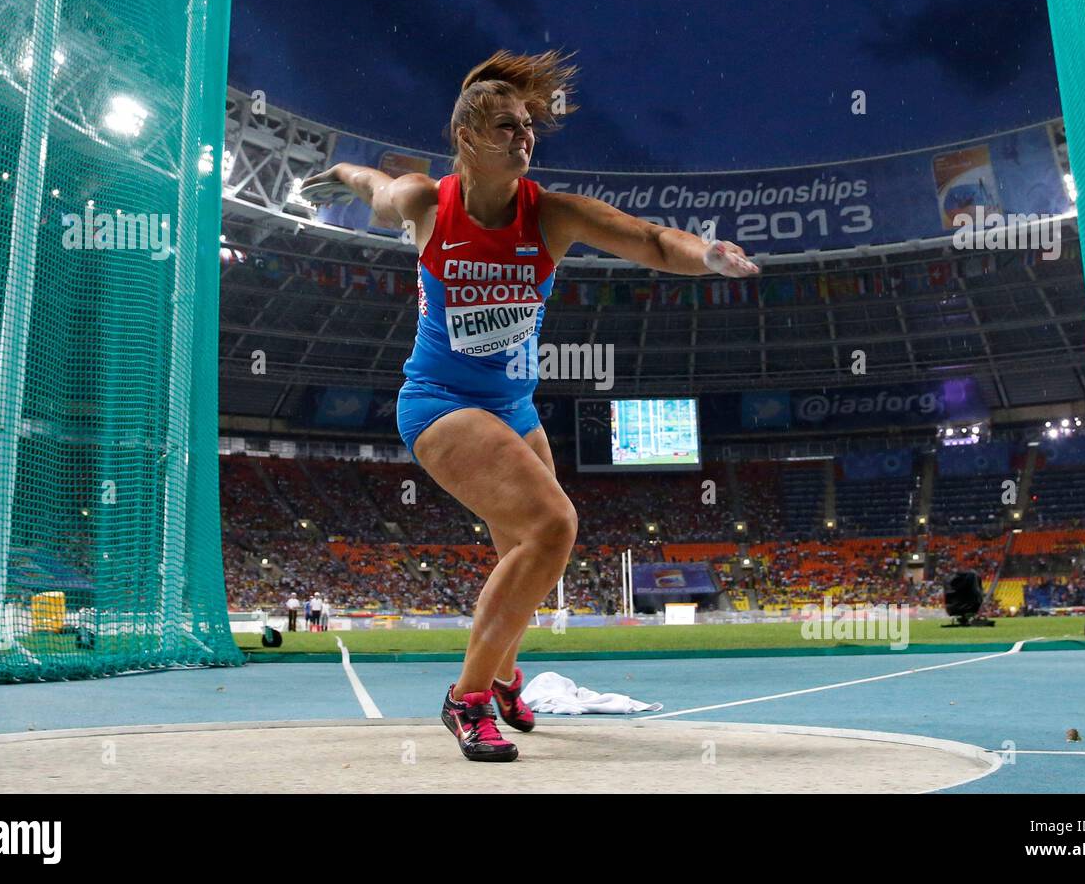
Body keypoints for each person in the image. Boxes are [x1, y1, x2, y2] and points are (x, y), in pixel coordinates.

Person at [301, 49, 757, 762]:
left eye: (527, 125)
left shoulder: (550, 214)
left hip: (514, 407)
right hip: (438, 402)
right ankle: (468, 696)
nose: (525, 137)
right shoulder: (428, 202)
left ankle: (509, 674)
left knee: (533, 552)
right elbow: (377, 186)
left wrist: (706, 255)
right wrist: (343, 175)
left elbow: (647, 240)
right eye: (509, 127)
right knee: (554, 526)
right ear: (467, 140)